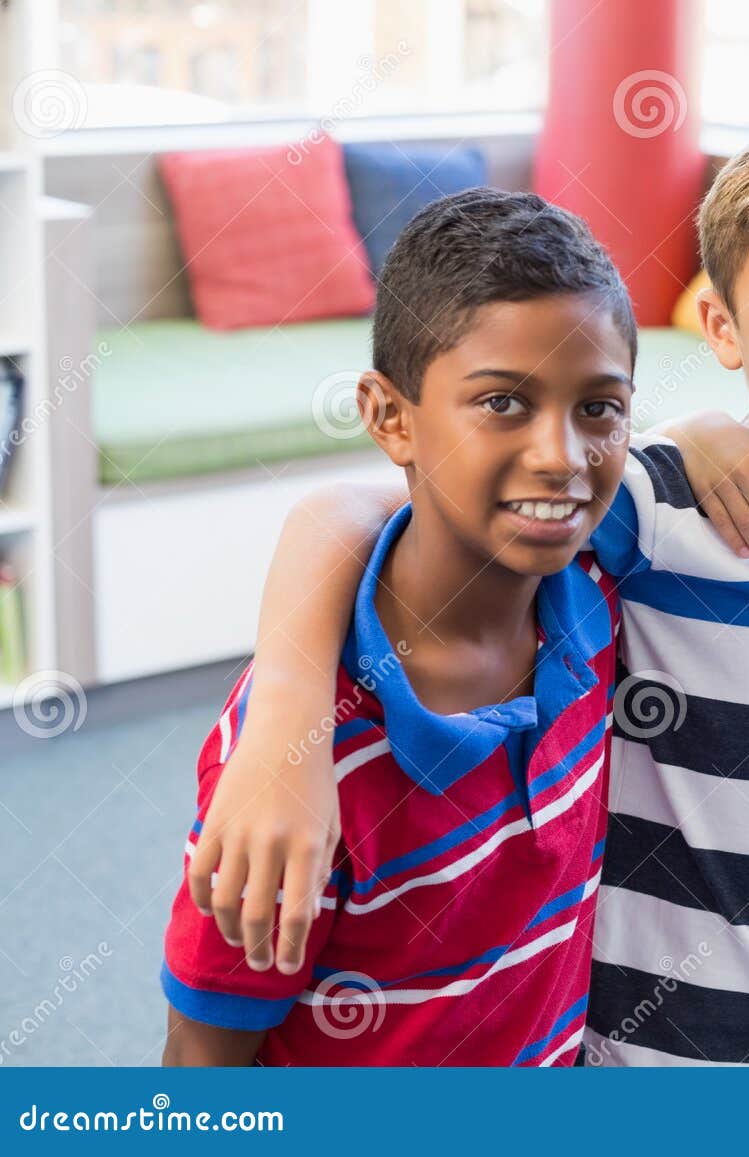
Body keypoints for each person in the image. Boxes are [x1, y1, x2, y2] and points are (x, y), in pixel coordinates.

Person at [162, 189, 632, 1065]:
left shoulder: (603, 581)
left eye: (600, 407)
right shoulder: (302, 754)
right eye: (503, 403)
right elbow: (202, 1058)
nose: (562, 455)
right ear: (387, 416)